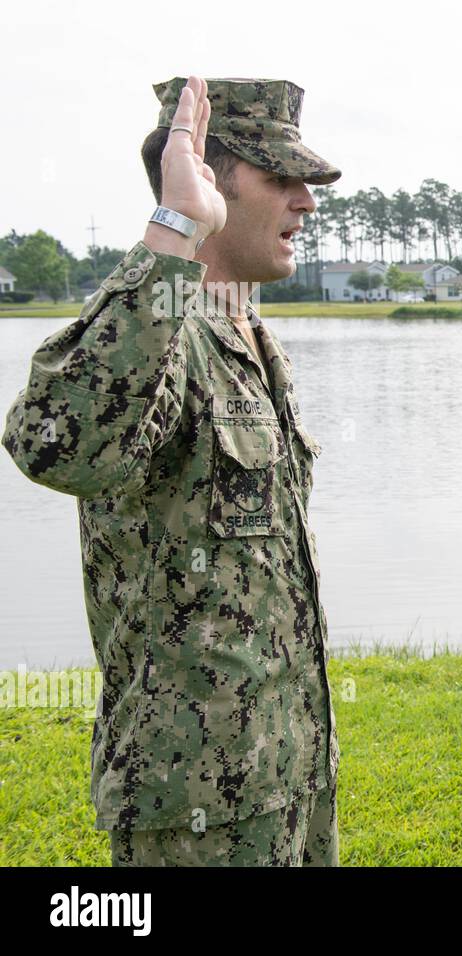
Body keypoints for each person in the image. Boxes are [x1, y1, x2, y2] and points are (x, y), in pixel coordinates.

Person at [2, 76, 342, 865]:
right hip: (192, 804)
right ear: (206, 177)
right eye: (281, 178)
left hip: (290, 775)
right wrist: (176, 227)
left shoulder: (247, 333)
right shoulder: (158, 334)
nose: (307, 203)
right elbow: (55, 444)